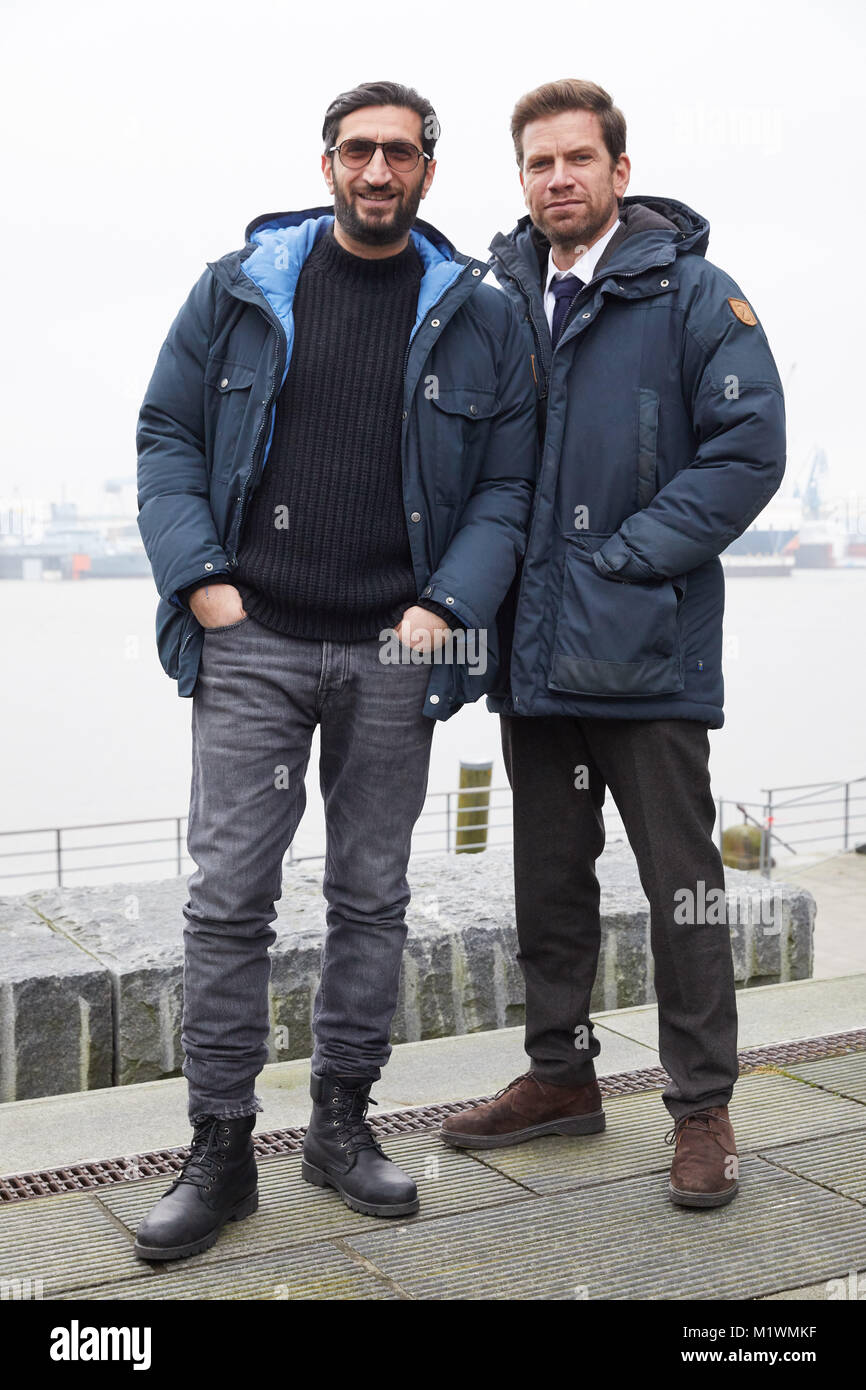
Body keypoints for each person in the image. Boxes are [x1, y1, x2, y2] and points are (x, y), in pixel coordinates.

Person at [133, 80, 537, 1260]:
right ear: (325, 165)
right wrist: (202, 583)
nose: (377, 171)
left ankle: (340, 1126)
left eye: (399, 153)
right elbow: (166, 434)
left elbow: (505, 486)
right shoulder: (236, 289)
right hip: (250, 638)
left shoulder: (479, 315)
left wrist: (440, 610)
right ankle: (219, 1149)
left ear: (426, 172)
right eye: (357, 150)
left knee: (371, 897)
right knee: (227, 902)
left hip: (392, 650)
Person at [440, 79, 786, 1209]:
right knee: (547, 883)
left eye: (577, 159)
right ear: (522, 178)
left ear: (619, 172)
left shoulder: (694, 296)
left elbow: (747, 450)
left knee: (684, 890)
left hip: (647, 651)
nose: (558, 179)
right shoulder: (500, 303)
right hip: (533, 658)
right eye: (538, 164)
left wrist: (626, 557)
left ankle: (702, 1108)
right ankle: (560, 1076)